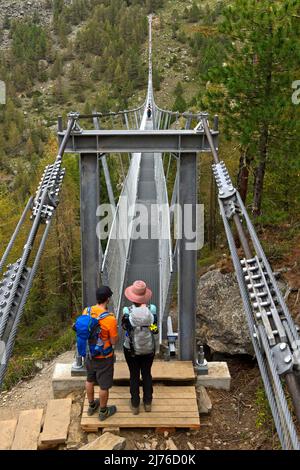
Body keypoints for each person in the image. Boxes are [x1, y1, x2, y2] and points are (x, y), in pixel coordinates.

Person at [121, 280, 158, 415]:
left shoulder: (127, 311)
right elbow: (155, 330)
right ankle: (148, 403)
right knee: (147, 374)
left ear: (132, 297)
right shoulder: (151, 310)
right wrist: (148, 326)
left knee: (134, 375)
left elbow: (125, 327)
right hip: (148, 349)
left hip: (131, 349)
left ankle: (135, 404)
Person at [84, 286, 118, 420]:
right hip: (104, 357)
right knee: (104, 385)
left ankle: (92, 405)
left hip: (89, 354)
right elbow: (114, 341)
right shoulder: (110, 319)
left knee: (90, 379)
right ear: (108, 299)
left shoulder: (87, 311)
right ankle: (103, 411)